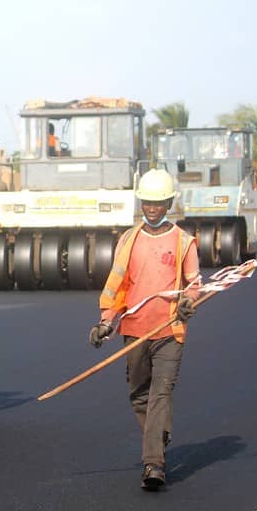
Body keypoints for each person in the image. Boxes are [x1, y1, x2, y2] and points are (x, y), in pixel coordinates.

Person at [88, 169, 200, 491]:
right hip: (135, 332)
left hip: (169, 331)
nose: (151, 209)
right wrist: (106, 322)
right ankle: (158, 436)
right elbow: (117, 286)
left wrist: (188, 303)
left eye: (157, 203)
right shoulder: (128, 240)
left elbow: (194, 286)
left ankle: (154, 465)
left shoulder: (183, 242)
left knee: (161, 393)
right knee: (139, 396)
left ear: (168, 203)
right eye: (146, 203)